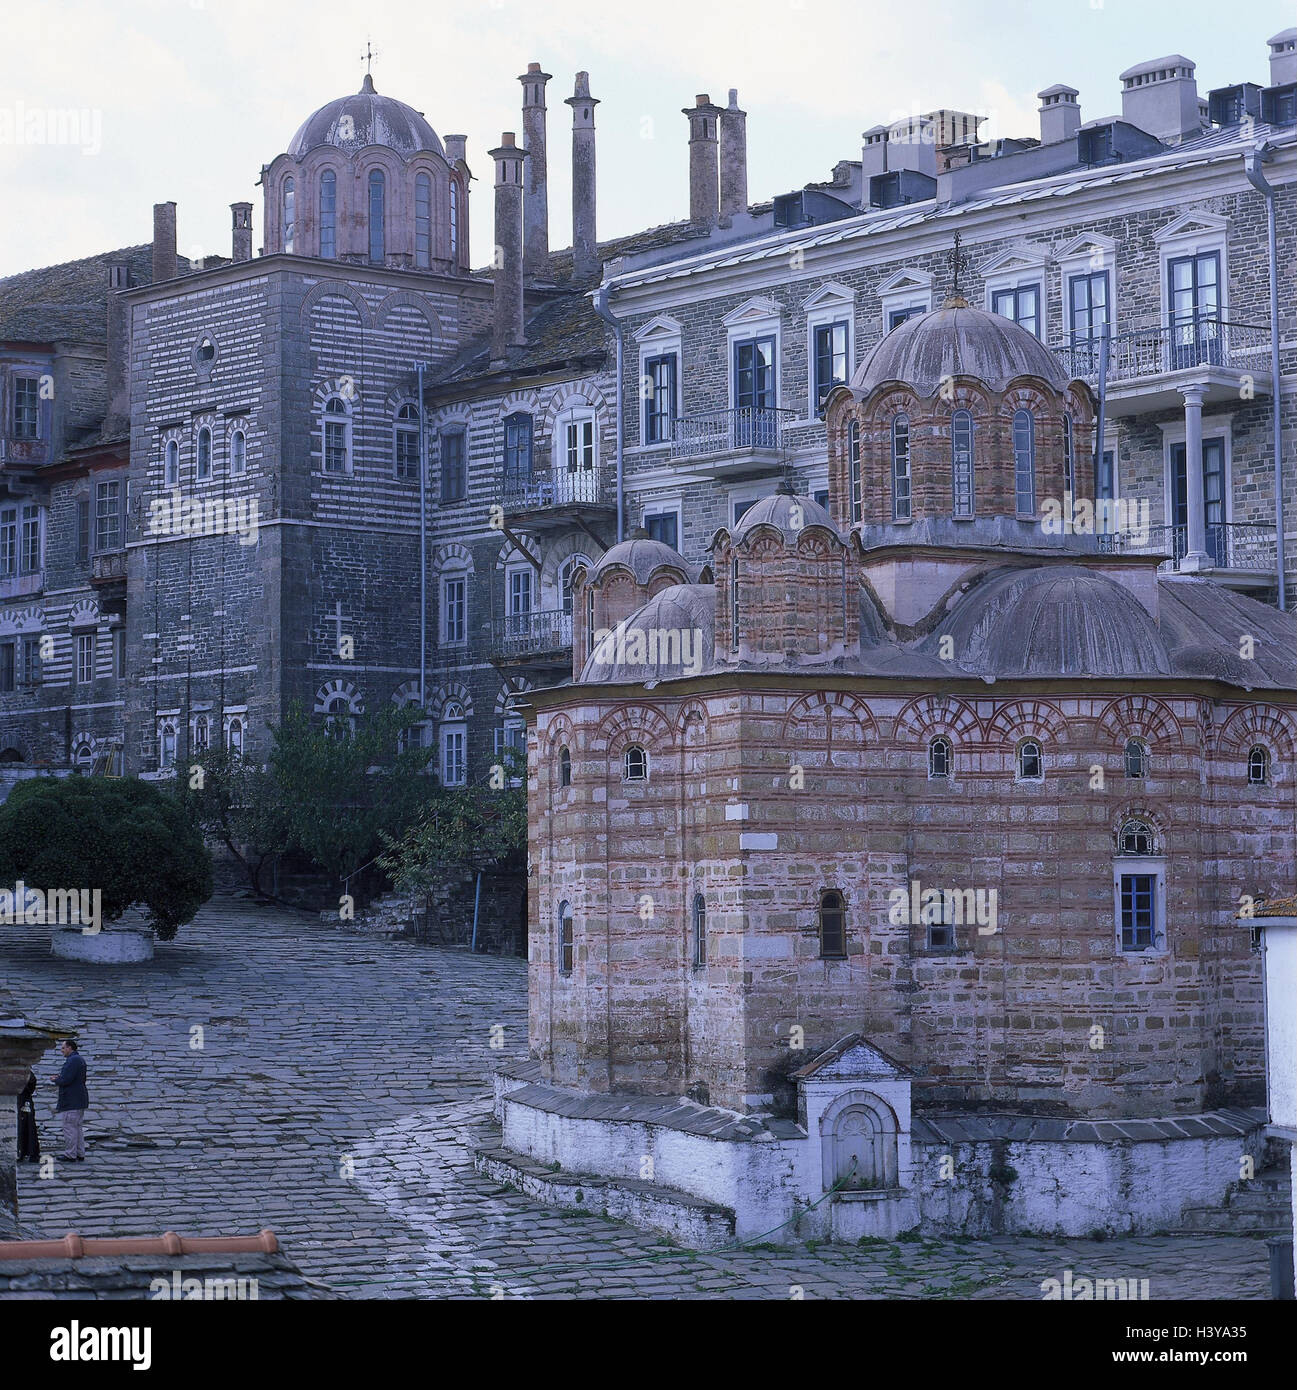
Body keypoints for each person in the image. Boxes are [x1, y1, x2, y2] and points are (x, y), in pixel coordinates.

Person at [49, 1039, 88, 1162]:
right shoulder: (79, 1059)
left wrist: (56, 1080)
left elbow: (66, 1080)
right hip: (79, 1099)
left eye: (63, 1048)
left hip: (72, 1100)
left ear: (70, 1048)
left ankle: (70, 1154)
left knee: (69, 1127)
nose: (62, 1051)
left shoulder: (72, 1061)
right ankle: (80, 1152)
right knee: (77, 1128)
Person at [16, 1068, 39, 1163]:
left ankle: (21, 1152)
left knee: (20, 1128)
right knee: (29, 1127)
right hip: (25, 1100)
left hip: (19, 1101)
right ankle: (31, 1153)